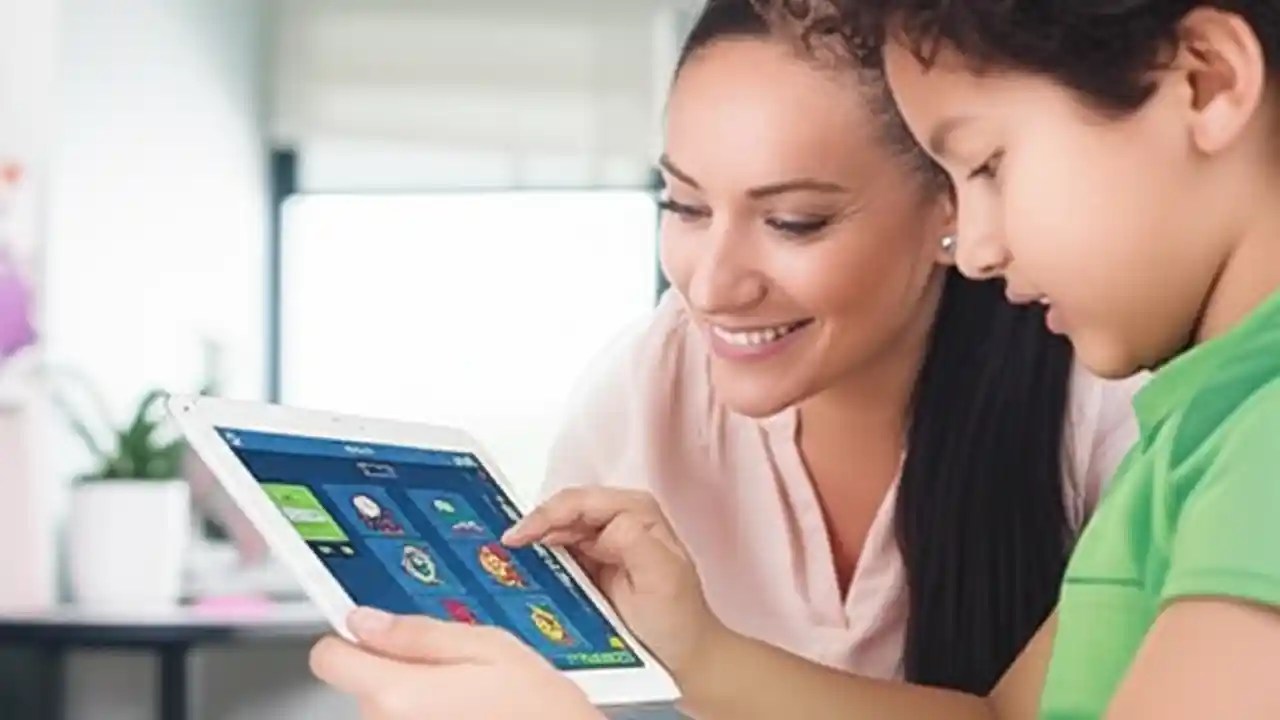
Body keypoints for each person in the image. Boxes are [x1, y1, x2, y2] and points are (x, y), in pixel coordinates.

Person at [311, 0, 1280, 718]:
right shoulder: (1192, 430)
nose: (981, 248)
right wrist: (699, 651)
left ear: (1206, 81)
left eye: (987, 166)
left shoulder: (1242, 438)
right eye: (683, 205)